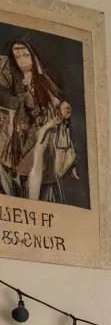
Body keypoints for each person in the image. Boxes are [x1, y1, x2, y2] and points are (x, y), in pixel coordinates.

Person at [0, 38, 79, 203]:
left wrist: (63, 106)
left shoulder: (42, 80)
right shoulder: (14, 83)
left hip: (44, 127)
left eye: (25, 55)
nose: (22, 60)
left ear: (33, 56)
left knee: (39, 146)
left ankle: (33, 202)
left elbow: (56, 101)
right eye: (18, 56)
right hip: (21, 131)